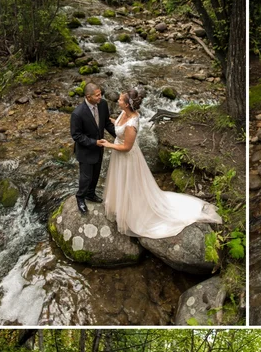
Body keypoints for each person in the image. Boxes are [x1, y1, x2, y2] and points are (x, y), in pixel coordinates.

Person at [100, 88, 222, 239]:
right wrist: (106, 120)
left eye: (120, 100)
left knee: (130, 182)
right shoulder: (124, 113)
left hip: (126, 156)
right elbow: (118, 126)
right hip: (118, 155)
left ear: (126, 104)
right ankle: (123, 206)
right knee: (121, 181)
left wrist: (107, 145)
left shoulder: (132, 123)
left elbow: (126, 147)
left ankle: (133, 212)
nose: (117, 101)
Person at [70, 81, 116, 215]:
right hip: (85, 150)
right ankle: (80, 198)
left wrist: (118, 135)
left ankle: (91, 194)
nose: (100, 97)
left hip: (99, 148)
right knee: (85, 177)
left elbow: (106, 123)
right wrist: (94, 142)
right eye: (97, 95)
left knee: (96, 174)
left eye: (100, 94)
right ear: (88, 97)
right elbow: (76, 136)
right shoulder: (77, 113)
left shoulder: (103, 104)